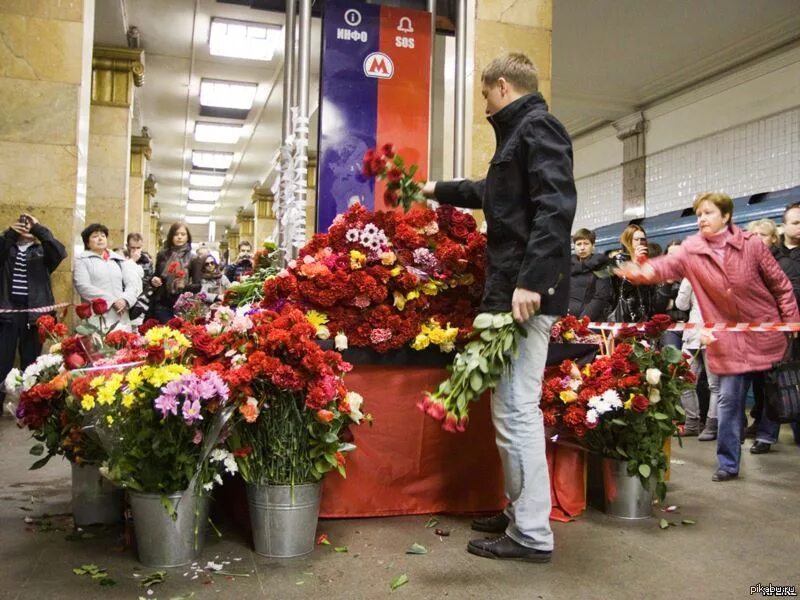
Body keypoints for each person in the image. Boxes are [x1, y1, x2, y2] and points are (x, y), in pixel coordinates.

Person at [421, 52, 576, 561]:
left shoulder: (538, 128)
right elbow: (494, 193)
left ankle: (531, 534)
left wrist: (532, 281)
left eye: (485, 94)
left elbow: (556, 206)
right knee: (510, 410)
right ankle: (520, 513)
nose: (484, 102)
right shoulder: (518, 135)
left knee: (517, 412)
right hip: (511, 293)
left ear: (502, 86)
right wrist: (436, 190)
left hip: (526, 296)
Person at [616, 192, 798, 482]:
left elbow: (781, 286)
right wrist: (644, 271)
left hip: (764, 332)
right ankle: (728, 462)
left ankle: (766, 435)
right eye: (698, 214)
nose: (701, 218)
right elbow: (667, 266)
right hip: (726, 339)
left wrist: (790, 324)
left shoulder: (752, 246)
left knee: (773, 390)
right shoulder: (692, 250)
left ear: (726, 216)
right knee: (728, 399)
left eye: (708, 213)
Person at [0, 213, 67, 412]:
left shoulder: (42, 252)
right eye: (23, 225)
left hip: (34, 316)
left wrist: (40, 229)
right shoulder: (7, 249)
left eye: (29, 225)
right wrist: (10, 234)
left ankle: (30, 407)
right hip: (6, 315)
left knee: (31, 363)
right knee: (2, 361)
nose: (26, 228)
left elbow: (59, 252)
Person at [749, 204, 800, 452]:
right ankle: (766, 436)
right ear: (784, 226)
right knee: (774, 381)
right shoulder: (770, 256)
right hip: (777, 329)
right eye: (796, 223)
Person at [73, 223, 142, 332]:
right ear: (87, 242)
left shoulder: (118, 259)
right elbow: (83, 286)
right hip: (97, 316)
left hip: (121, 314)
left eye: (103, 236)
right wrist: (112, 301)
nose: (100, 239)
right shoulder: (82, 260)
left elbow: (132, 284)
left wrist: (125, 300)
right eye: (95, 236)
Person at [675, 278, 719, 437]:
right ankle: (696, 425)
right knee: (686, 382)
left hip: (702, 335)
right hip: (701, 334)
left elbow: (681, 304)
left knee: (706, 385)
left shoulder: (691, 275)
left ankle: (709, 426)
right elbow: (681, 305)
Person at [609, 224, 666, 321]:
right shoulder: (619, 260)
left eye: (643, 239)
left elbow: (654, 290)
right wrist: (635, 262)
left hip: (647, 316)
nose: (640, 242)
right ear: (628, 241)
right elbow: (622, 289)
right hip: (627, 316)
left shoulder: (648, 261)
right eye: (636, 239)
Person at [149, 222, 202, 323]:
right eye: (176, 234)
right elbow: (156, 275)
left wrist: (184, 286)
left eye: (183, 234)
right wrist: (154, 280)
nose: (179, 237)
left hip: (183, 306)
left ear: (187, 237)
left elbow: (198, 286)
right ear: (171, 236)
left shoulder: (193, 258)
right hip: (162, 303)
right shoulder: (162, 255)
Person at [568, 228, 614, 320]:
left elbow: (602, 296)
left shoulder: (602, 265)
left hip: (590, 320)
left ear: (593, 246)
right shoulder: (568, 265)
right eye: (579, 244)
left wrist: (583, 320)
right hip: (567, 319)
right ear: (574, 246)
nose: (582, 248)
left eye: (586, 243)